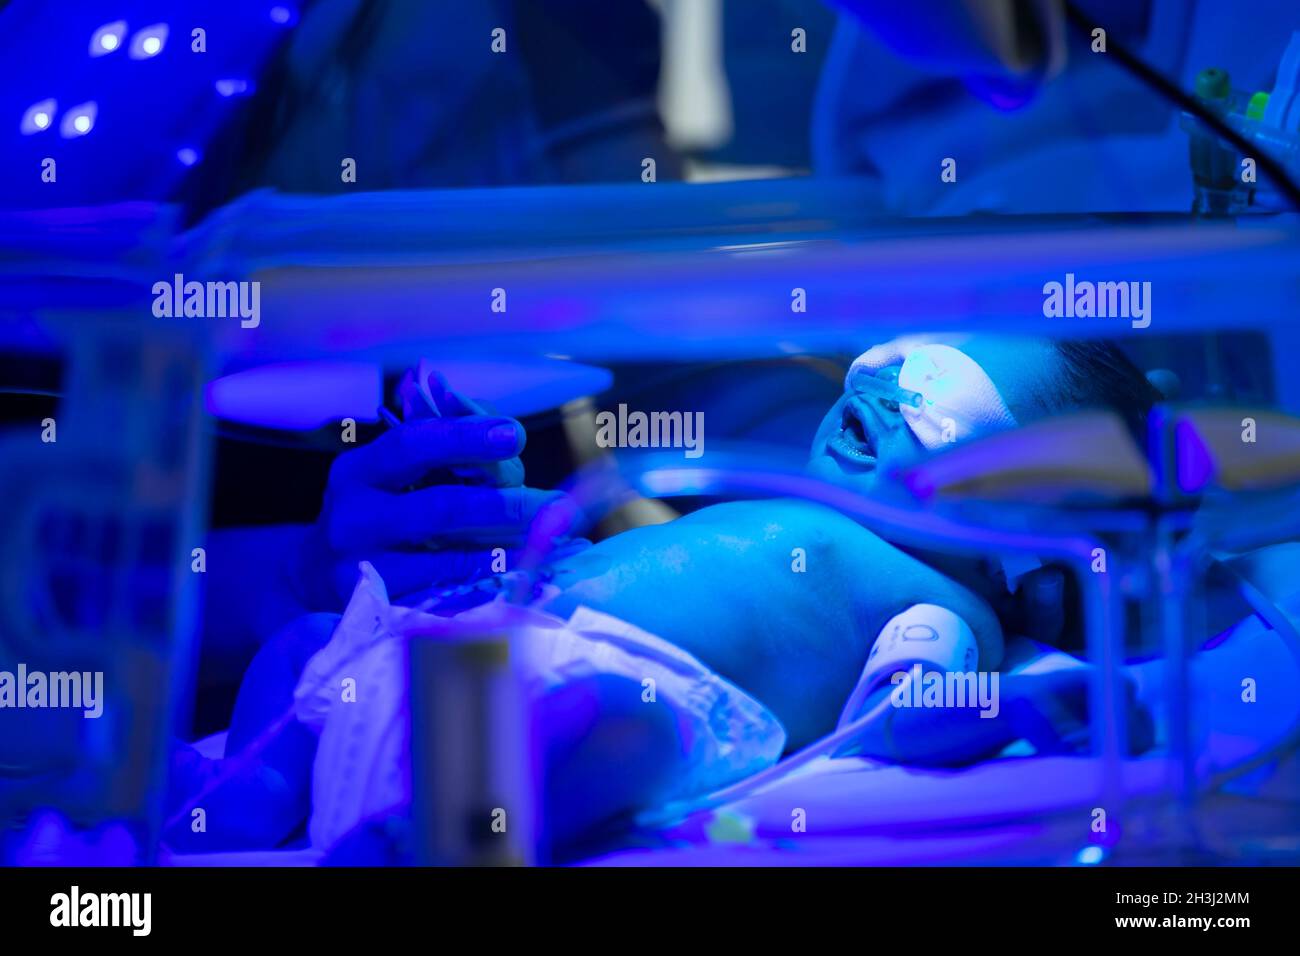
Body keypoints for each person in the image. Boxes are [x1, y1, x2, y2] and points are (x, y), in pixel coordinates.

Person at [164, 335, 1163, 854]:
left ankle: (432, 832)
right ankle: (231, 801)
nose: (894, 389)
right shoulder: (776, 498)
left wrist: (1027, 699)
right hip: (461, 632)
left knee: (602, 721)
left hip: (611, 682)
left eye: (947, 405)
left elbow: (904, 716)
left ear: (1028, 540)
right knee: (304, 640)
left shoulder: (942, 603)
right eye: (897, 359)